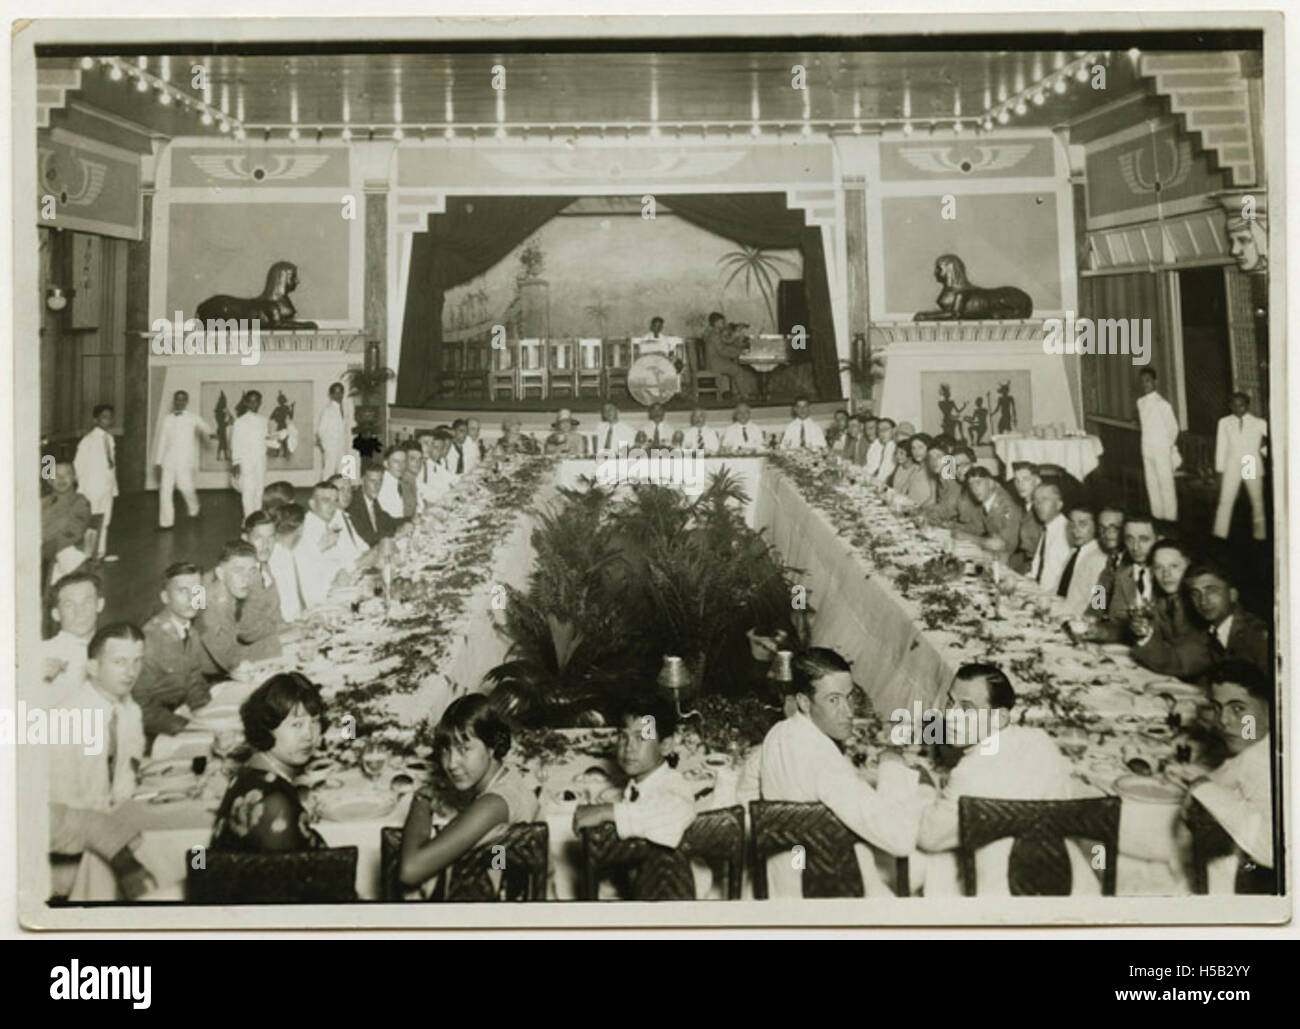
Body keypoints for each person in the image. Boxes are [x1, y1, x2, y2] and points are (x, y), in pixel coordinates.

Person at [917, 664, 1098, 896]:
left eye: (967, 708)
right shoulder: (1040, 740)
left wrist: (925, 789)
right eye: (951, 703)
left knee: (930, 865)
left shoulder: (970, 773)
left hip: (1003, 896)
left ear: (1000, 717)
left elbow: (929, 839)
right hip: (1069, 883)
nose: (950, 717)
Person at [759, 648, 922, 896]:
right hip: (826, 888)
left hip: (783, 882)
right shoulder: (825, 764)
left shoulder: (778, 733)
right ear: (803, 702)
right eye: (833, 700)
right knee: (923, 864)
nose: (848, 712)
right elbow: (900, 841)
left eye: (849, 697)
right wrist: (892, 765)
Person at [48, 623, 156, 900]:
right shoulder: (67, 719)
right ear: (94, 668)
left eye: (137, 661)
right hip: (72, 859)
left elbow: (125, 782)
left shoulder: (129, 710)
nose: (131, 672)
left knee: (190, 852)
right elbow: (63, 809)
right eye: (120, 662)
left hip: (112, 826)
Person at [398, 695, 539, 895]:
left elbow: (410, 870)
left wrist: (422, 799)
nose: (451, 763)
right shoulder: (506, 777)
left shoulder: (494, 804)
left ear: (491, 747)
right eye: (446, 749)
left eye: (464, 749)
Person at [572, 694, 710, 898]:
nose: (629, 747)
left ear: (666, 745)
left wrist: (606, 811)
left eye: (641, 738)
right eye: (624, 736)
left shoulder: (673, 783)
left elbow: (674, 813)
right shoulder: (639, 782)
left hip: (677, 893)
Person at [210, 672, 327, 853]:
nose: (309, 735)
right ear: (267, 727)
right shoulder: (275, 804)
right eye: (296, 725)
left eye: (315, 721)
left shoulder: (251, 768)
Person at [1187, 661, 1274, 889]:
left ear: (1271, 707)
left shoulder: (1267, 762)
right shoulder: (1254, 748)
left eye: (1238, 709)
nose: (1223, 721)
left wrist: (1202, 789)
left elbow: (1272, 850)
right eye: (1218, 708)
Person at [1133, 563, 1270, 680]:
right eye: (1195, 593)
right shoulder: (1211, 632)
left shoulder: (1256, 635)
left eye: (1212, 591)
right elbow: (1177, 662)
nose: (1203, 601)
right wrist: (1144, 635)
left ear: (1233, 595)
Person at [134, 562, 210, 741]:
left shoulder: (191, 631)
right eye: (183, 591)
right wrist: (186, 727)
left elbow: (194, 679)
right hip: (151, 733)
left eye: (197, 590)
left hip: (181, 715)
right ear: (165, 597)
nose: (192, 598)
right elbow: (139, 706)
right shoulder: (150, 639)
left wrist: (205, 711)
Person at [198, 540, 282, 674]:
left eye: (251, 570)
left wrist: (287, 628)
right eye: (238, 570)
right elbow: (231, 659)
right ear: (220, 573)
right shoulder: (207, 603)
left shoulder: (232, 585)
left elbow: (249, 630)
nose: (246, 578)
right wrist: (279, 642)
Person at [1129, 540, 1200, 676]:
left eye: (1143, 538)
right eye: (1129, 539)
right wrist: (1098, 625)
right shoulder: (1111, 570)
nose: (1135, 547)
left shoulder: (1194, 599)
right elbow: (1098, 605)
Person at [154, 389, 214, 529]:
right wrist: (158, 462)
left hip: (185, 461)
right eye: (177, 399)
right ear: (174, 401)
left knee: (185, 487)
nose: (179, 402)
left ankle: (195, 508)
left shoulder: (193, 417)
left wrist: (211, 435)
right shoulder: (167, 419)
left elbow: (206, 429)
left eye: (182, 399)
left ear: (186, 401)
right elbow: (162, 441)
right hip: (168, 461)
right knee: (165, 490)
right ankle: (166, 523)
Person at [1212, 391, 1268, 542]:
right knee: (1225, 500)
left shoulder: (1259, 423)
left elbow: (1273, 442)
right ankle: (1219, 535)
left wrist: (1264, 452)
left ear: (1247, 406)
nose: (1238, 408)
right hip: (1232, 463)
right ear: (1230, 406)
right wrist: (1220, 470)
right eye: (1234, 405)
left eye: (1241, 405)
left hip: (1249, 462)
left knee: (1256, 500)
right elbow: (1221, 447)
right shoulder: (1224, 422)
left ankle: (1260, 535)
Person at [42, 570, 104, 692]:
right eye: (69, 605)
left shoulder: (116, 651)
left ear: (100, 604)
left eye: (87, 602)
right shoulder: (42, 654)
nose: (79, 612)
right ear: (56, 614)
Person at [73, 404, 119, 561]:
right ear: (95, 420)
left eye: (110, 417)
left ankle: (100, 553)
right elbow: (78, 466)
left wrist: (113, 488)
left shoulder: (109, 439)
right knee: (91, 521)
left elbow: (111, 466)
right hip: (92, 488)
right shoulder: (88, 441)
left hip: (107, 487)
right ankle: (87, 554)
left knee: (105, 520)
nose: (108, 420)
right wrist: (83, 489)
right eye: (104, 417)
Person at [240, 510, 292, 644]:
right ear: (245, 539)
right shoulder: (240, 573)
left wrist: (296, 625)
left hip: (269, 641)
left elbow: (274, 617)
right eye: (259, 538)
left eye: (271, 537)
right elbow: (248, 634)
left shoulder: (265, 568)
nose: (266, 544)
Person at [1136, 368, 1181, 522]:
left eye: (1148, 380)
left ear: (1155, 382)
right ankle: (1157, 519)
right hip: (1147, 450)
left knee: (1166, 486)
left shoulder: (1163, 405)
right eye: (1142, 381)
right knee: (1152, 486)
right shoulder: (1140, 403)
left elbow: (1173, 428)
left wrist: (1165, 446)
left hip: (1161, 450)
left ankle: (1170, 521)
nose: (1145, 384)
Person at [231, 391, 284, 518]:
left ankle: (257, 517)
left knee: (259, 489)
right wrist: (236, 462)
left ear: (260, 402)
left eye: (257, 401)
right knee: (248, 491)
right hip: (245, 461)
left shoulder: (263, 420)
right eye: (251, 401)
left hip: (260, 460)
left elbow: (265, 440)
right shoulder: (240, 421)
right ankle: (248, 519)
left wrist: (277, 442)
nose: (254, 404)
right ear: (245, 403)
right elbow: (236, 442)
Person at [41, 461, 93, 581]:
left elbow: (74, 532)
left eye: (67, 474)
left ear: (74, 478)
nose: (61, 478)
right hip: (42, 556)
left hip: (64, 559)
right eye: (56, 475)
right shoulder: (42, 503)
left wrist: (45, 549)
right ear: (49, 480)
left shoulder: (79, 502)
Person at [956, 466, 1022, 555]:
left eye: (978, 482)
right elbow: (977, 527)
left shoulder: (1006, 506)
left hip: (1011, 561)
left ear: (991, 483)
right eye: (971, 484)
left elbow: (1000, 545)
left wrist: (969, 537)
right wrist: (951, 527)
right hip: (996, 555)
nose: (974, 489)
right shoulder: (987, 503)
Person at [1058, 506, 1110, 617]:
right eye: (1072, 524)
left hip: (1077, 621)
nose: (1075, 530)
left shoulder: (1100, 560)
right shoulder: (1074, 553)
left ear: (1096, 527)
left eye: (1082, 524)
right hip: (1061, 613)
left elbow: (1098, 605)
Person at [267, 502, 312, 622]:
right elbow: (287, 607)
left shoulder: (288, 551)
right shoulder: (278, 559)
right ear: (300, 528)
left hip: (300, 617)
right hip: (290, 624)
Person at [1026, 481, 1072, 594]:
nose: (1038, 505)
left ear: (1059, 504)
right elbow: (1035, 572)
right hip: (1038, 592)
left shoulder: (1067, 532)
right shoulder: (1048, 529)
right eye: (1035, 500)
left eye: (1045, 499)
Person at [349, 464, 398, 547]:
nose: (377, 486)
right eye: (372, 481)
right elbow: (367, 538)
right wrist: (396, 535)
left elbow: (388, 521)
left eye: (380, 481)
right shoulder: (353, 503)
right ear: (362, 480)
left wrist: (411, 519)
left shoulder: (372, 500)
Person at [1007, 462, 1044, 574]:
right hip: (1024, 562)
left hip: (1037, 569)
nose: (1020, 485)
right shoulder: (1022, 507)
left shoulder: (1042, 510)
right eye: (1017, 480)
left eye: (1025, 479)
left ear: (1037, 481)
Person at [890, 433, 936, 508]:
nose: (916, 451)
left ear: (929, 448)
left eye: (920, 447)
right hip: (909, 508)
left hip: (921, 512)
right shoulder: (916, 468)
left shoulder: (932, 469)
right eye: (913, 448)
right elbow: (904, 489)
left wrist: (917, 511)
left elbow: (933, 500)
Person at [1095, 505, 1129, 601]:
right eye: (1102, 527)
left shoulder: (1132, 564)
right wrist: (1089, 615)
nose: (1106, 533)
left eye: (1114, 527)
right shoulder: (1110, 561)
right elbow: (1097, 603)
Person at [316, 381, 348, 480]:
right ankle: (325, 491)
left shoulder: (344, 409)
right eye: (336, 393)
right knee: (328, 471)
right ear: (331, 395)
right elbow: (320, 431)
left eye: (341, 392)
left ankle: (340, 491)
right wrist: (326, 447)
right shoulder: (328, 410)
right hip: (331, 447)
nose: (339, 395)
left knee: (342, 471)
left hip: (341, 446)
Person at [376, 446, 407, 521]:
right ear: (386, 464)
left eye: (404, 461)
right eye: (396, 461)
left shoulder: (399, 482)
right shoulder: (382, 486)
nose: (401, 466)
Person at [400, 440, 424, 518]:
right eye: (412, 459)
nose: (418, 463)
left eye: (420, 459)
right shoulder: (401, 484)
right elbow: (407, 515)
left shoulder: (413, 480)